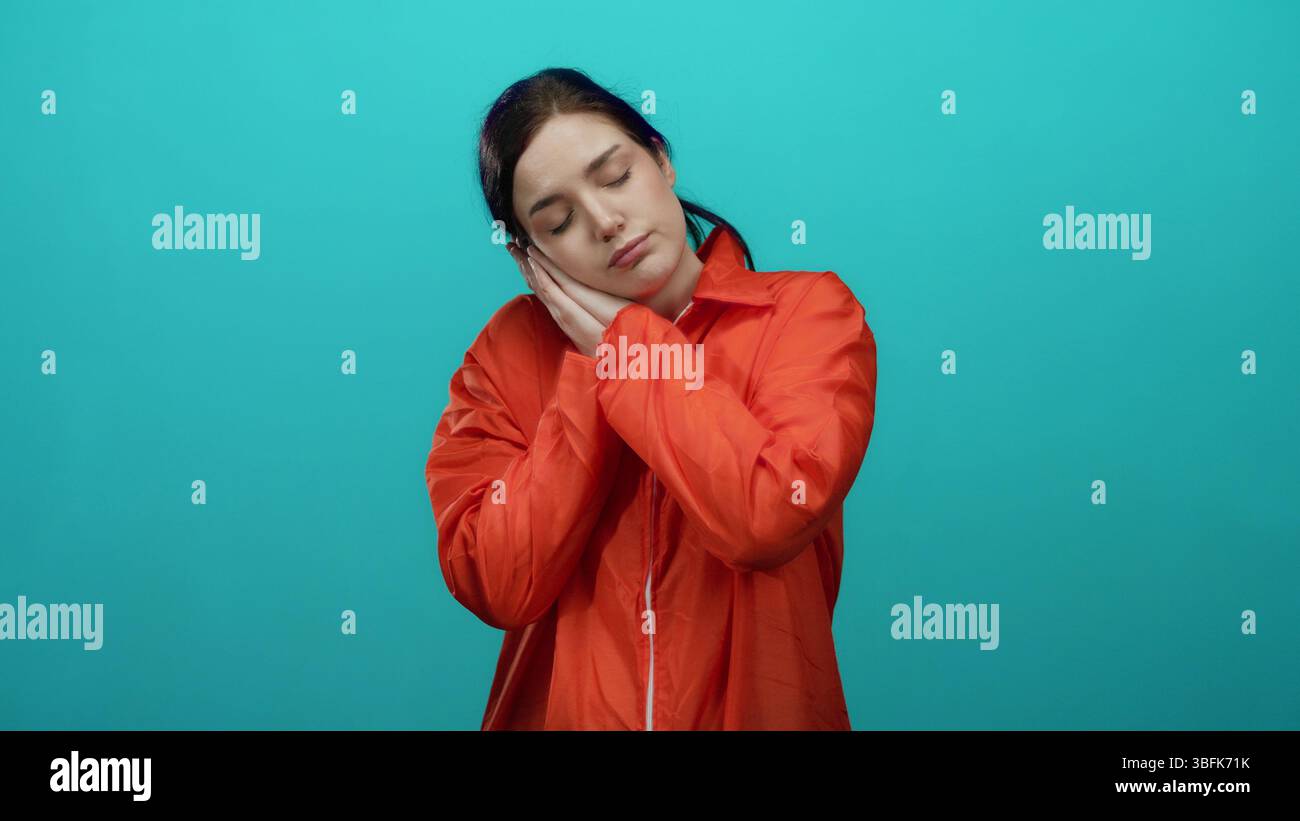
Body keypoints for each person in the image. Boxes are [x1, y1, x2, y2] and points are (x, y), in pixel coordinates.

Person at [425, 67, 878, 730]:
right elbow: (497, 580)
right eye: (558, 221)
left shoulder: (807, 315)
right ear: (529, 257)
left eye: (615, 177)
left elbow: (767, 514)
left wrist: (627, 349)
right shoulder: (507, 354)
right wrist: (591, 370)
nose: (606, 222)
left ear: (661, 160)